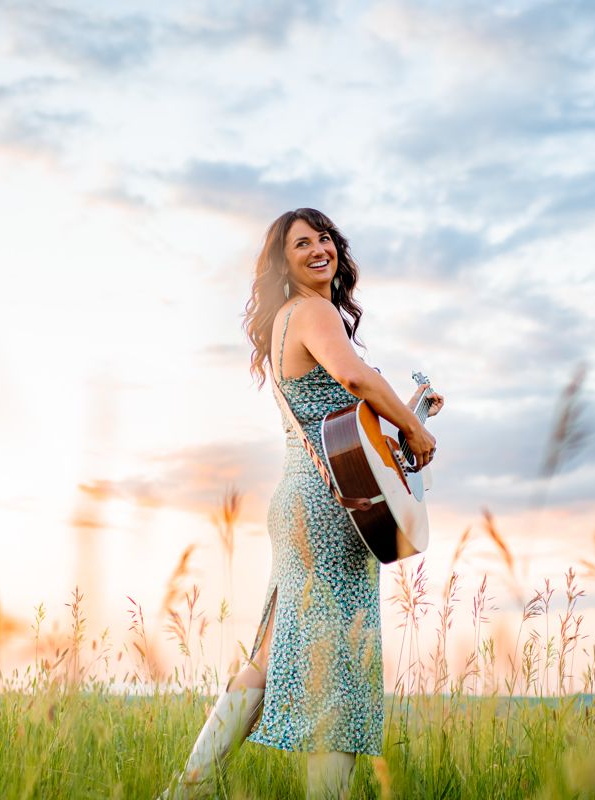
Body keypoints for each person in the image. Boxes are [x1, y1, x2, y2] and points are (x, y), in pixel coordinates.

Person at [159, 208, 444, 799]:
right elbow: (356, 380)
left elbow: (342, 429)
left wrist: (402, 419)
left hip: (299, 498)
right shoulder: (314, 311)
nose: (319, 249)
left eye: (324, 238)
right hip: (330, 506)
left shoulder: (284, 320)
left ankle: (187, 790)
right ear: (282, 262)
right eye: (301, 244)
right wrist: (414, 433)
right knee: (339, 664)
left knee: (268, 655)